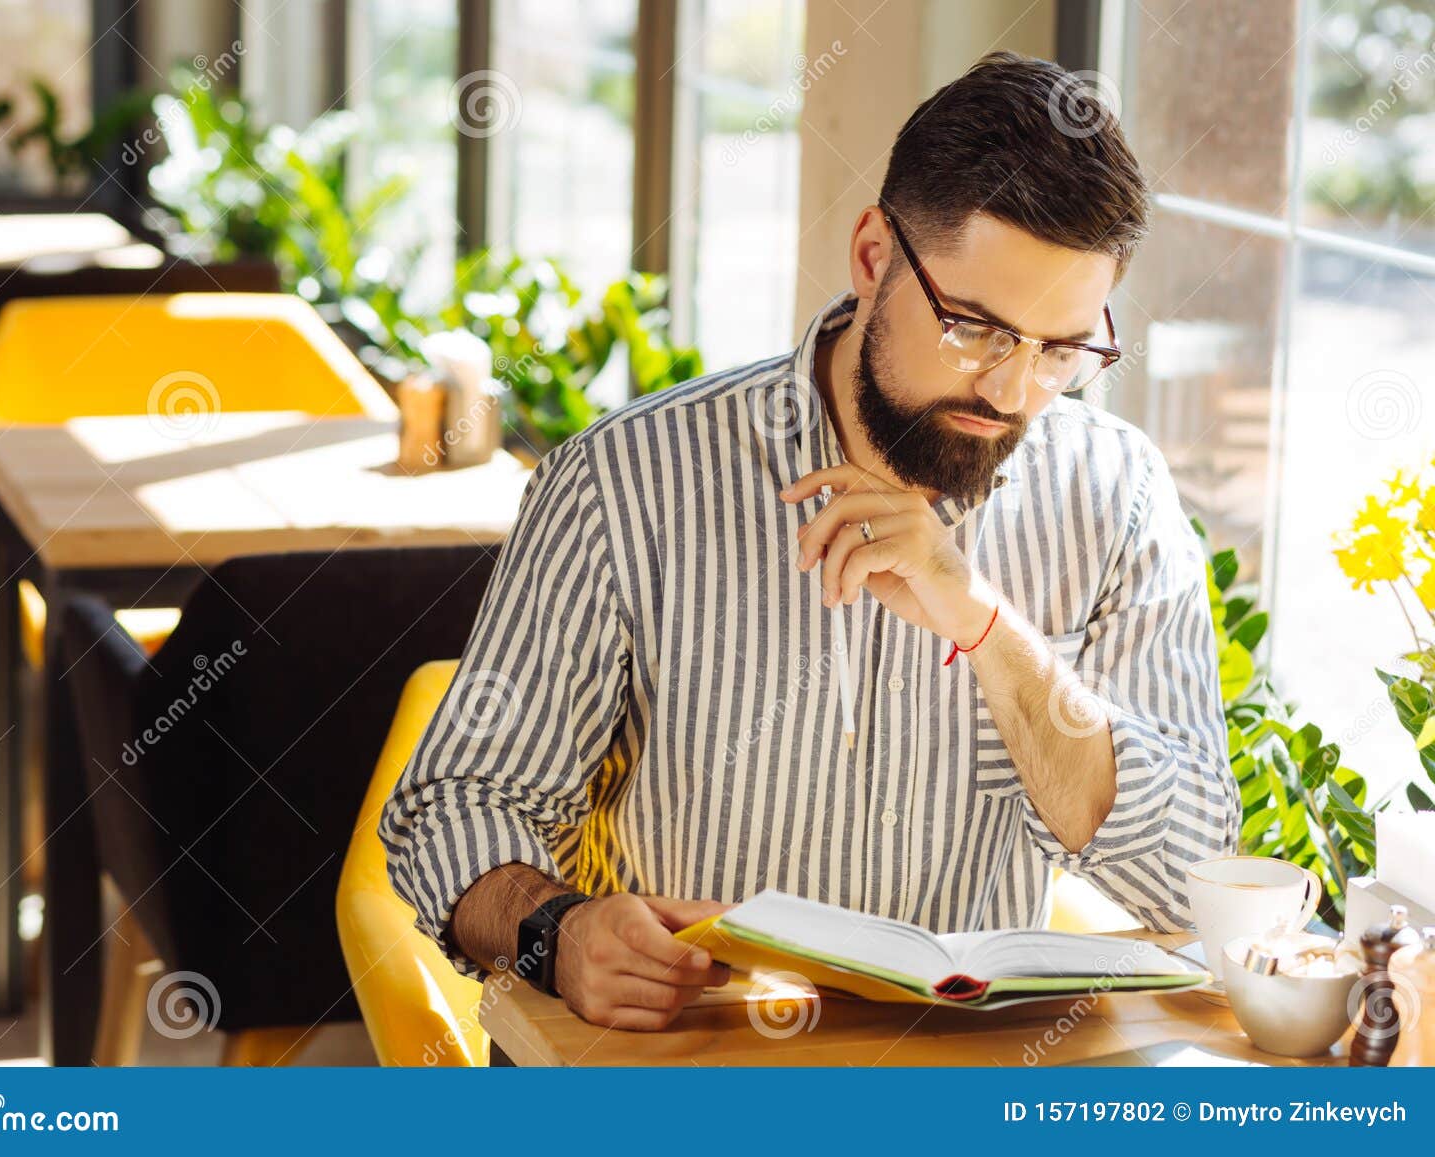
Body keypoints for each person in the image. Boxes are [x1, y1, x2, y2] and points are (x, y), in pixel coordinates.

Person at [381, 51, 1240, 1032]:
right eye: (974, 327)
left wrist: (983, 623)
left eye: (1061, 348)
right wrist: (561, 930)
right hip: (680, 1080)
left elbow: (1192, 883)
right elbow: (456, 801)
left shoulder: (1115, 497)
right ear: (873, 254)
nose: (1011, 392)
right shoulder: (624, 480)